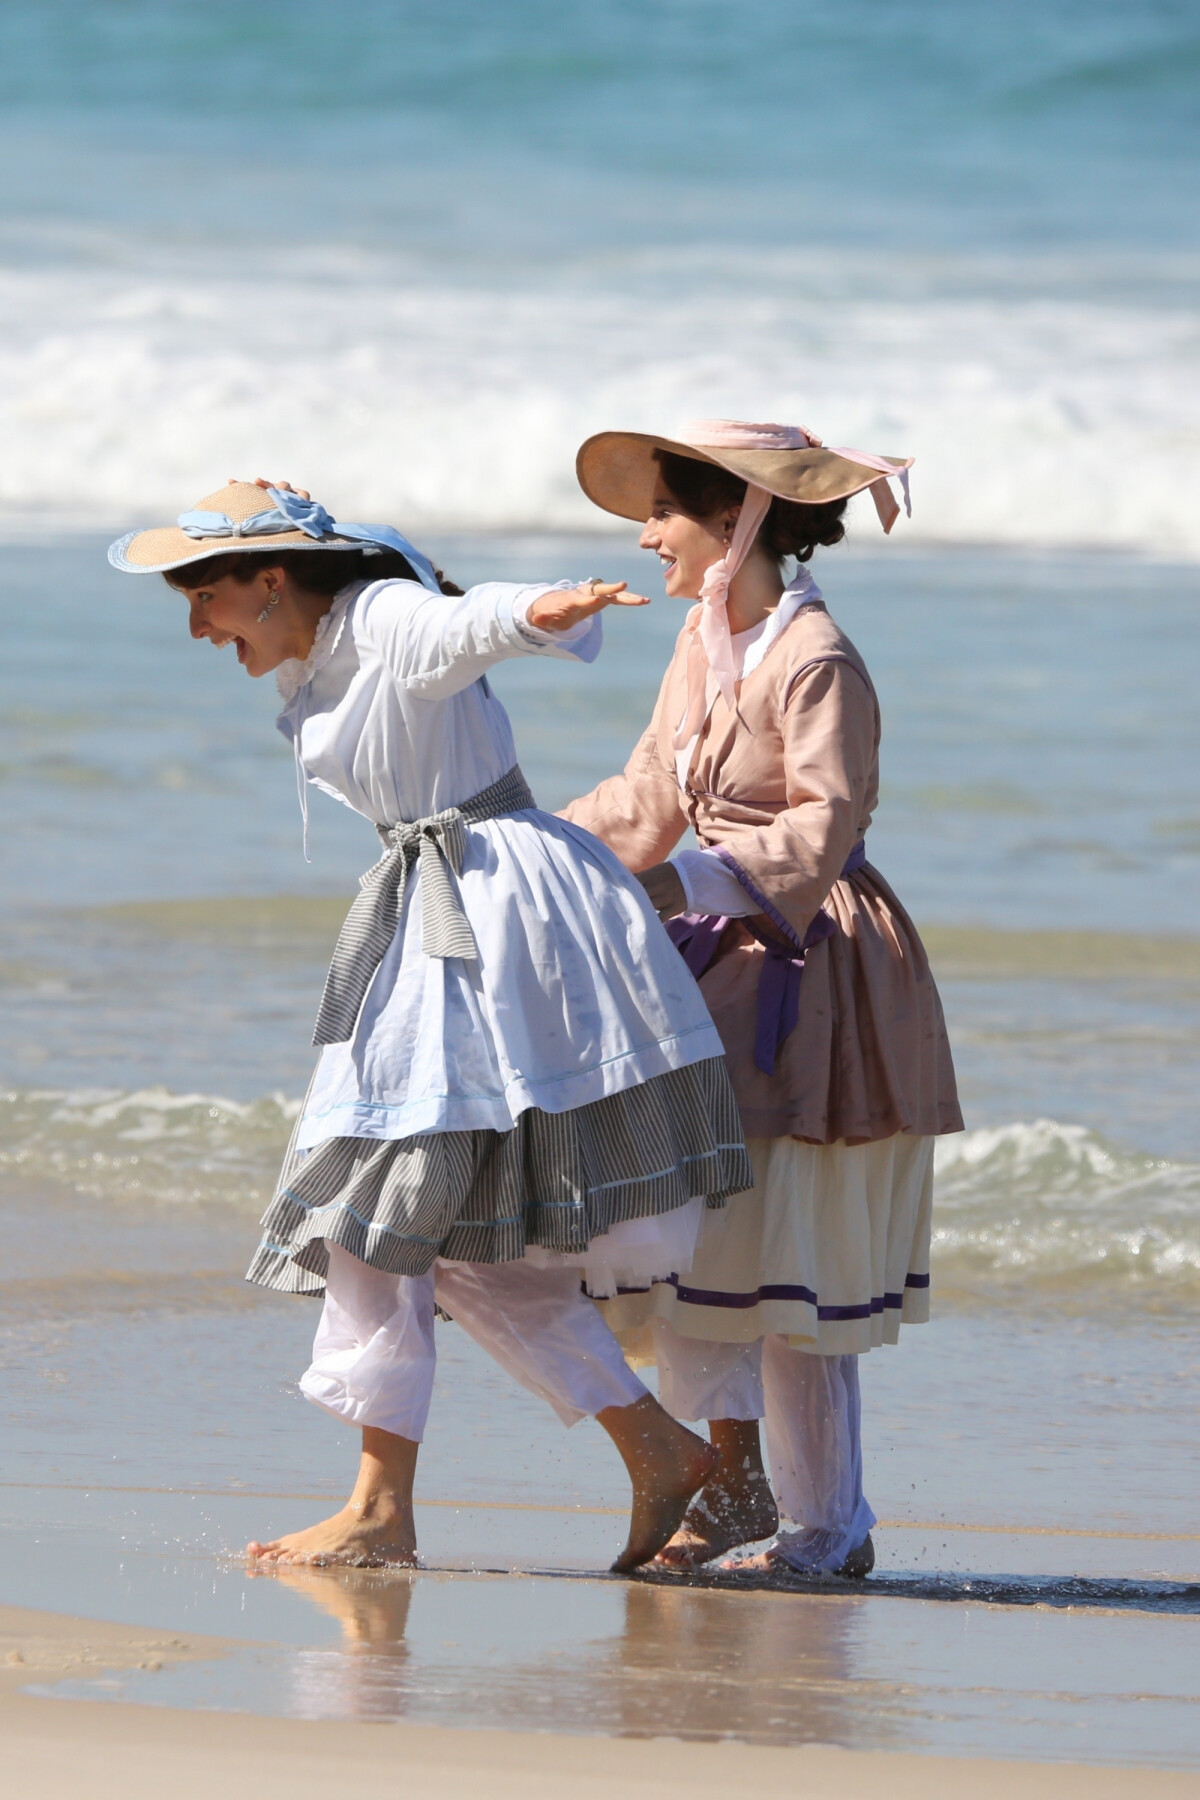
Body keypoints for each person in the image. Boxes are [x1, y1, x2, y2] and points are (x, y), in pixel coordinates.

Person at [108, 479, 753, 1571]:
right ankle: (650, 1449)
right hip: (441, 913)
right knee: (433, 1236)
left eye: (206, 596)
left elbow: (458, 625)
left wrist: (540, 610)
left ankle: (381, 1509)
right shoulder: (321, 655)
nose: (195, 625)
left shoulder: (378, 617)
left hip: (496, 916)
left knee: (383, 1209)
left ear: (272, 582)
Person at [556, 420, 963, 1576]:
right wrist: (539, 845)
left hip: (807, 962)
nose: (647, 538)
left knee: (791, 1261)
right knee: (698, 1244)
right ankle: (732, 1495)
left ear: (735, 525)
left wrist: (674, 875)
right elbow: (649, 789)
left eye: (665, 517)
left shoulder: (816, 656)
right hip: (707, 954)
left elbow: (826, 829)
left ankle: (831, 1528)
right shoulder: (702, 640)